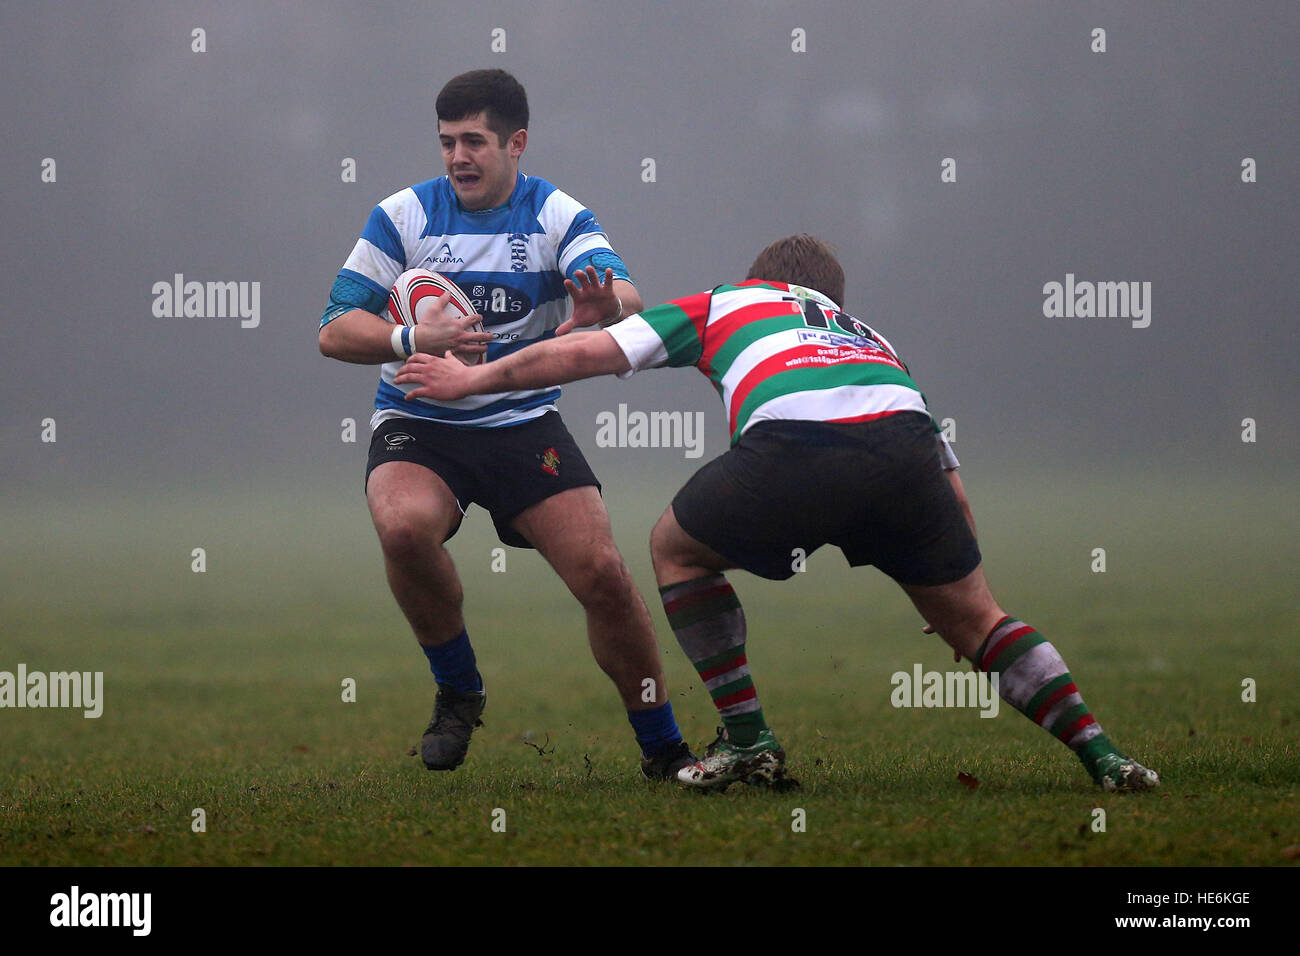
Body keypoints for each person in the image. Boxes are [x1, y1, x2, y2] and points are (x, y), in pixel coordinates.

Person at [393, 234, 1162, 793]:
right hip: (901, 454)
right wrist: (956, 575)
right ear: (834, 298)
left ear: (756, 278)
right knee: (981, 619)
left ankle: (749, 741)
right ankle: (1105, 758)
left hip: (798, 445)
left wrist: (474, 380)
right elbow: (941, 462)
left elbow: (584, 357)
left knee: (675, 549)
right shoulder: (868, 336)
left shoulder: (728, 301)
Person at [317, 69, 693, 779]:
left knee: (605, 575)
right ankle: (459, 687)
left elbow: (629, 294)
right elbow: (335, 330)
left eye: (475, 142)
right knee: (402, 528)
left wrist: (599, 310)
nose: (458, 156)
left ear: (516, 144)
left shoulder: (555, 214)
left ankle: (664, 749)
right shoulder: (401, 217)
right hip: (420, 419)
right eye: (447, 142)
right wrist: (412, 342)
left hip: (522, 422)